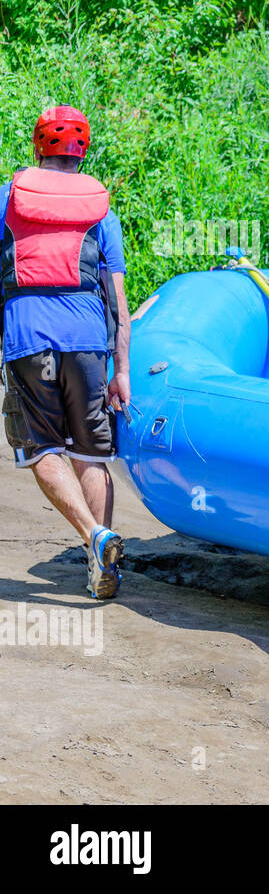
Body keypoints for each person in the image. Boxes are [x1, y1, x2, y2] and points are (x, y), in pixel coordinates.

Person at [1, 105, 130, 599]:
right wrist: (121, 371)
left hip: (28, 339)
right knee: (91, 453)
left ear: (37, 148)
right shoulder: (102, 212)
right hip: (90, 342)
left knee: (42, 449)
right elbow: (117, 300)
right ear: (83, 152)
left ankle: (95, 538)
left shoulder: (7, 201)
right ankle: (105, 569)